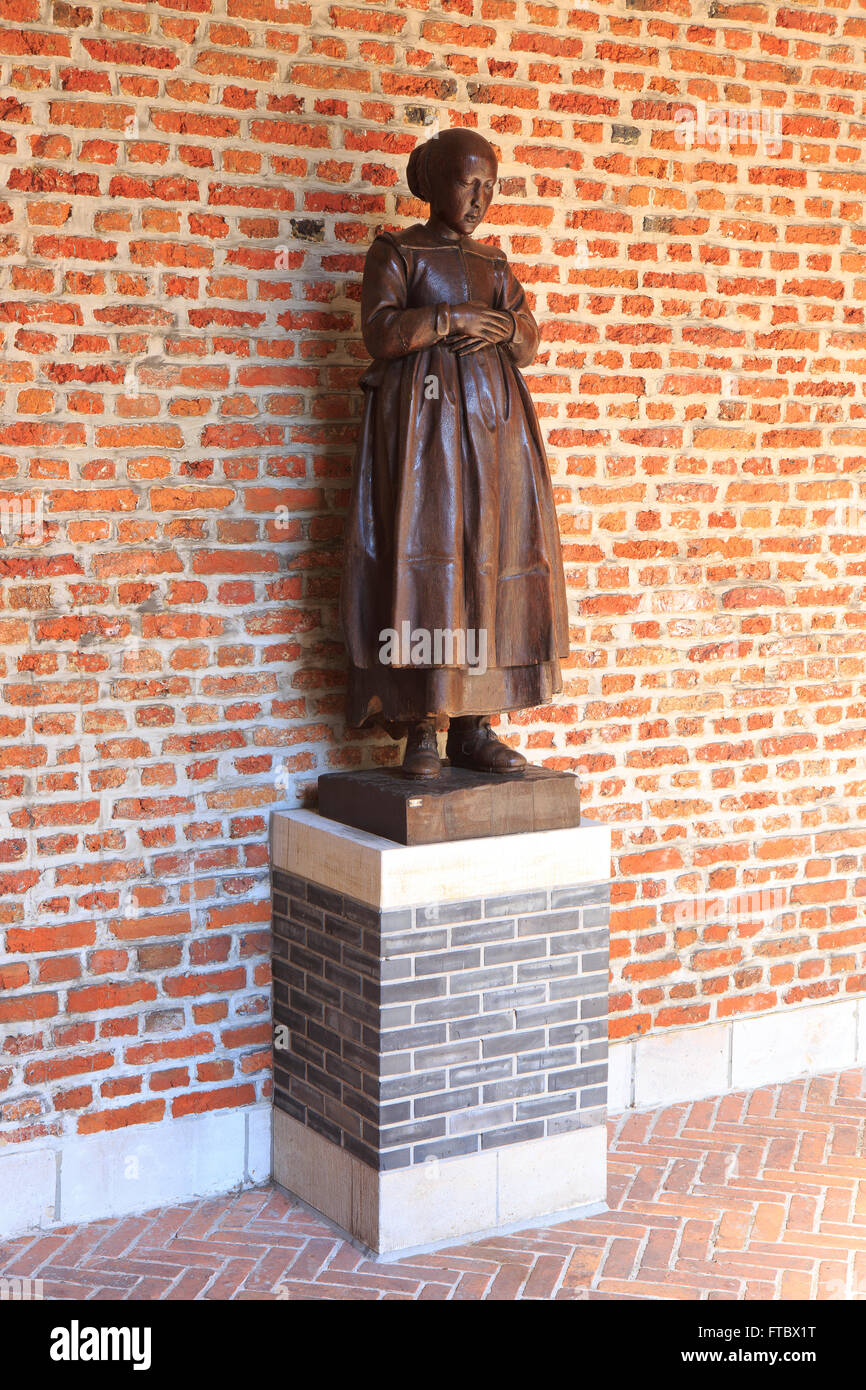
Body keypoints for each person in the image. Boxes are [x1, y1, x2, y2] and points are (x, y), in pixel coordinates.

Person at [340, 127, 569, 778]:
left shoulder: (494, 264)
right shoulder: (397, 253)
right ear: (433, 183)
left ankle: (476, 723)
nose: (480, 198)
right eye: (468, 182)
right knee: (427, 566)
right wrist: (452, 321)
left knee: (487, 561)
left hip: (496, 436)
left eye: (490, 186)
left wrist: (507, 326)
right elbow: (380, 332)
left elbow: (526, 338)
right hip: (422, 436)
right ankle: (422, 725)